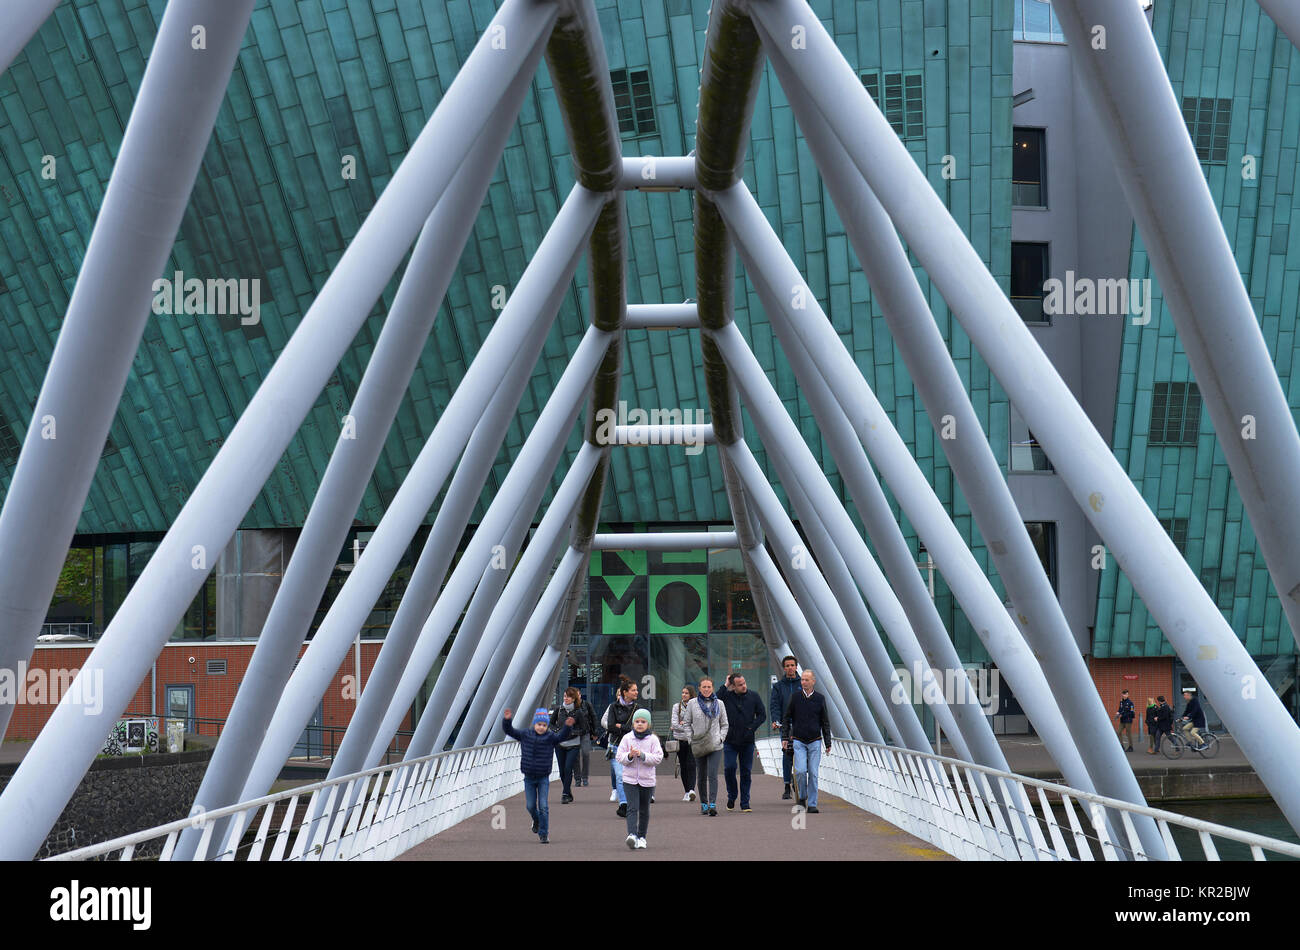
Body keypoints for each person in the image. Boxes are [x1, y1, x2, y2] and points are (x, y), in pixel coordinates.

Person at [501, 707, 573, 844]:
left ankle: (544, 834)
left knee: (544, 806)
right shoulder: (525, 734)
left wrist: (567, 727)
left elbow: (561, 737)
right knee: (530, 806)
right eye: (539, 724)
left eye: (544, 725)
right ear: (534, 724)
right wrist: (507, 720)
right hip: (528, 777)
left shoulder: (550, 737)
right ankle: (536, 820)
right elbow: (509, 731)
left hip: (543, 777)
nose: (541, 727)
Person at [782, 669, 832, 814]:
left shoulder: (820, 698)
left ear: (813, 681)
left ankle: (812, 804)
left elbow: (825, 721)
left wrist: (828, 743)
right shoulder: (795, 697)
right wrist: (785, 737)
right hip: (798, 740)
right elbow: (786, 718)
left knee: (814, 773)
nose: (803, 682)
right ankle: (802, 797)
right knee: (801, 771)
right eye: (802, 679)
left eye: (806, 680)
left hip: (815, 740)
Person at [615, 708, 663, 850]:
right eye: (637, 721)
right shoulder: (627, 738)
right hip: (629, 780)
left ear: (648, 724)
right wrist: (629, 756)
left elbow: (658, 758)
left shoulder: (653, 739)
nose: (640, 724)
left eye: (643, 722)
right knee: (632, 807)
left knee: (644, 809)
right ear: (633, 724)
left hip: (647, 780)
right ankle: (632, 835)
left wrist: (642, 755)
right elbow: (619, 756)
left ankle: (642, 837)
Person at [719, 673, 765, 812]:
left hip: (747, 740)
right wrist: (725, 685)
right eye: (740, 684)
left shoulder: (754, 696)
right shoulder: (726, 696)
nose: (744, 686)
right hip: (730, 740)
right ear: (733, 686)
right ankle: (732, 796)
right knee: (729, 768)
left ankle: (745, 802)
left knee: (746, 771)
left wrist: (752, 727)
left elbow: (762, 715)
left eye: (744, 683)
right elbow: (715, 699)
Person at [601, 676, 646, 818]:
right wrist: (625, 728)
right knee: (620, 776)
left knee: (634, 776)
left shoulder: (637, 708)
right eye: (634, 690)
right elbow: (610, 726)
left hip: (633, 748)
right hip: (616, 747)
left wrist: (621, 726)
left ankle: (635, 801)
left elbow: (638, 728)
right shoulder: (613, 707)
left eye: (636, 690)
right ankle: (624, 804)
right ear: (625, 692)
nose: (636, 693)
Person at [682, 676, 728, 816]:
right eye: (704, 687)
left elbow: (725, 724)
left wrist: (721, 738)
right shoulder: (692, 703)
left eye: (709, 687)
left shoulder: (719, 703)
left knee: (712, 774)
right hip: (698, 744)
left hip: (715, 744)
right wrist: (690, 739)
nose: (707, 689)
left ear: (712, 688)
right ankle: (704, 804)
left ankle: (712, 804)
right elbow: (687, 723)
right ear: (699, 688)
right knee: (701, 775)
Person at [769, 655, 802, 800]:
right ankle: (787, 785)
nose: (790, 668)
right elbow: (774, 705)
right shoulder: (778, 687)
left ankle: (799, 782)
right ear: (784, 668)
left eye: (792, 665)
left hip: (802, 724)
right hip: (786, 725)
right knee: (787, 753)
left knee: (801, 754)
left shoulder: (803, 683)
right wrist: (776, 720)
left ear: (796, 667)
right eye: (787, 666)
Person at [551, 687, 588, 803]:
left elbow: (584, 729)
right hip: (559, 744)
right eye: (565, 696)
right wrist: (557, 730)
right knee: (562, 771)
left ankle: (565, 794)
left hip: (574, 744)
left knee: (568, 769)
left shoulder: (578, 712)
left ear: (574, 699)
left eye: (568, 697)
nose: (565, 698)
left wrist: (573, 732)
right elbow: (551, 723)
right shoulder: (559, 709)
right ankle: (568, 791)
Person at [669, 685, 698, 801]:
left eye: (686, 693)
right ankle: (686, 791)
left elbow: (697, 724)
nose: (684, 695)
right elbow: (674, 724)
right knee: (683, 766)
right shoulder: (677, 707)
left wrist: (683, 724)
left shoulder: (696, 706)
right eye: (682, 693)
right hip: (680, 740)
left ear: (691, 695)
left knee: (691, 764)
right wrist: (687, 725)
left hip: (692, 740)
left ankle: (691, 790)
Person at [578, 690, 598, 787]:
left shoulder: (587, 705)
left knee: (586, 753)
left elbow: (593, 717)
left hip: (585, 733)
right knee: (574, 756)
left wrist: (594, 732)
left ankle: (585, 777)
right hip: (573, 734)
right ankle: (577, 778)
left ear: (580, 695)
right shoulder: (570, 706)